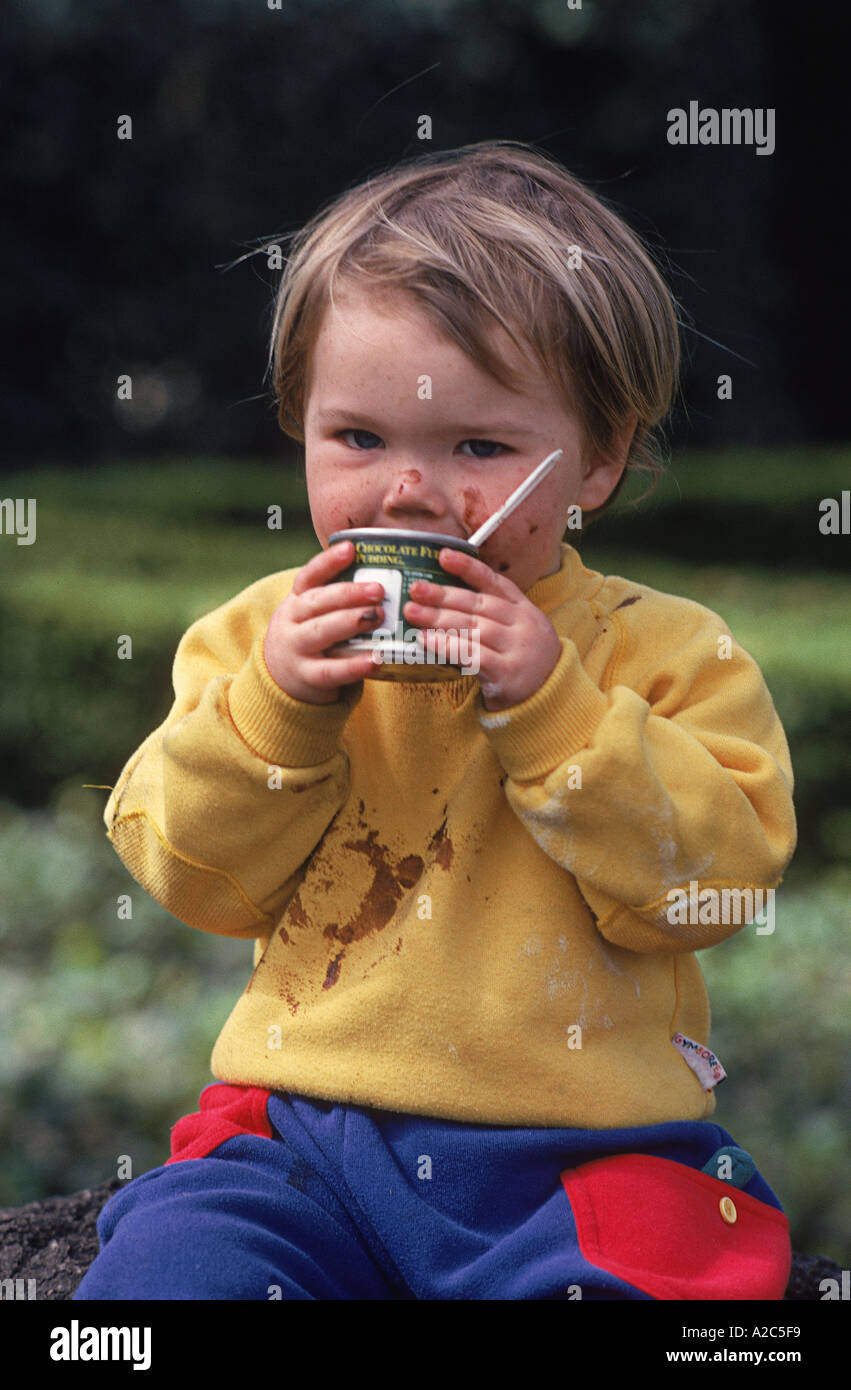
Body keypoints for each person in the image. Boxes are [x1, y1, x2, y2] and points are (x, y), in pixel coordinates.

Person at [74, 141, 796, 1301]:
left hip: (582, 1151)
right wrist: (276, 711)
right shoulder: (259, 638)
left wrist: (554, 709)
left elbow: (712, 884)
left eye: (476, 446)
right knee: (173, 1269)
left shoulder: (670, 654)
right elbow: (188, 874)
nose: (407, 491)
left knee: (669, 1280)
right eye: (357, 439)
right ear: (298, 428)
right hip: (304, 1134)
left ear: (597, 461)